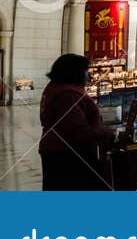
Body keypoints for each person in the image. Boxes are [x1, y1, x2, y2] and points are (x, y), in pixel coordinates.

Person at [38, 54, 115, 190]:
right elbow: (79, 131)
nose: (89, 76)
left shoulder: (57, 89)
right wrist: (107, 133)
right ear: (75, 73)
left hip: (57, 151)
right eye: (86, 71)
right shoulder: (68, 96)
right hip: (68, 156)